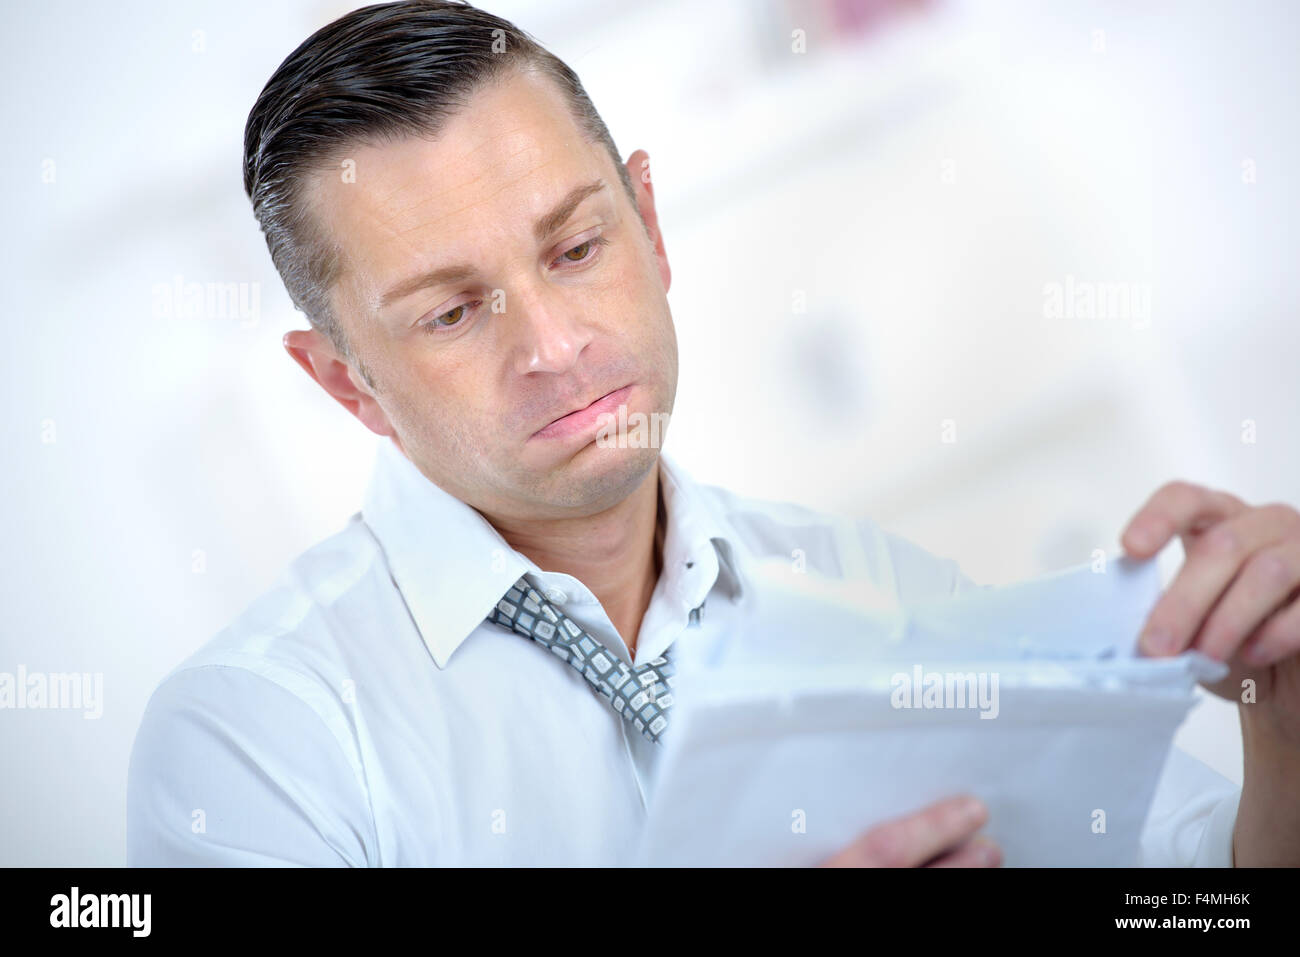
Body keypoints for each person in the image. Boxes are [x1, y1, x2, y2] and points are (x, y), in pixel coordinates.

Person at [127, 0, 1300, 867]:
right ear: (345, 385)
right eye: (449, 312)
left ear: (649, 225)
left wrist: (1284, 718)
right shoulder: (256, 739)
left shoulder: (867, 591)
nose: (550, 345)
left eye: (577, 248)